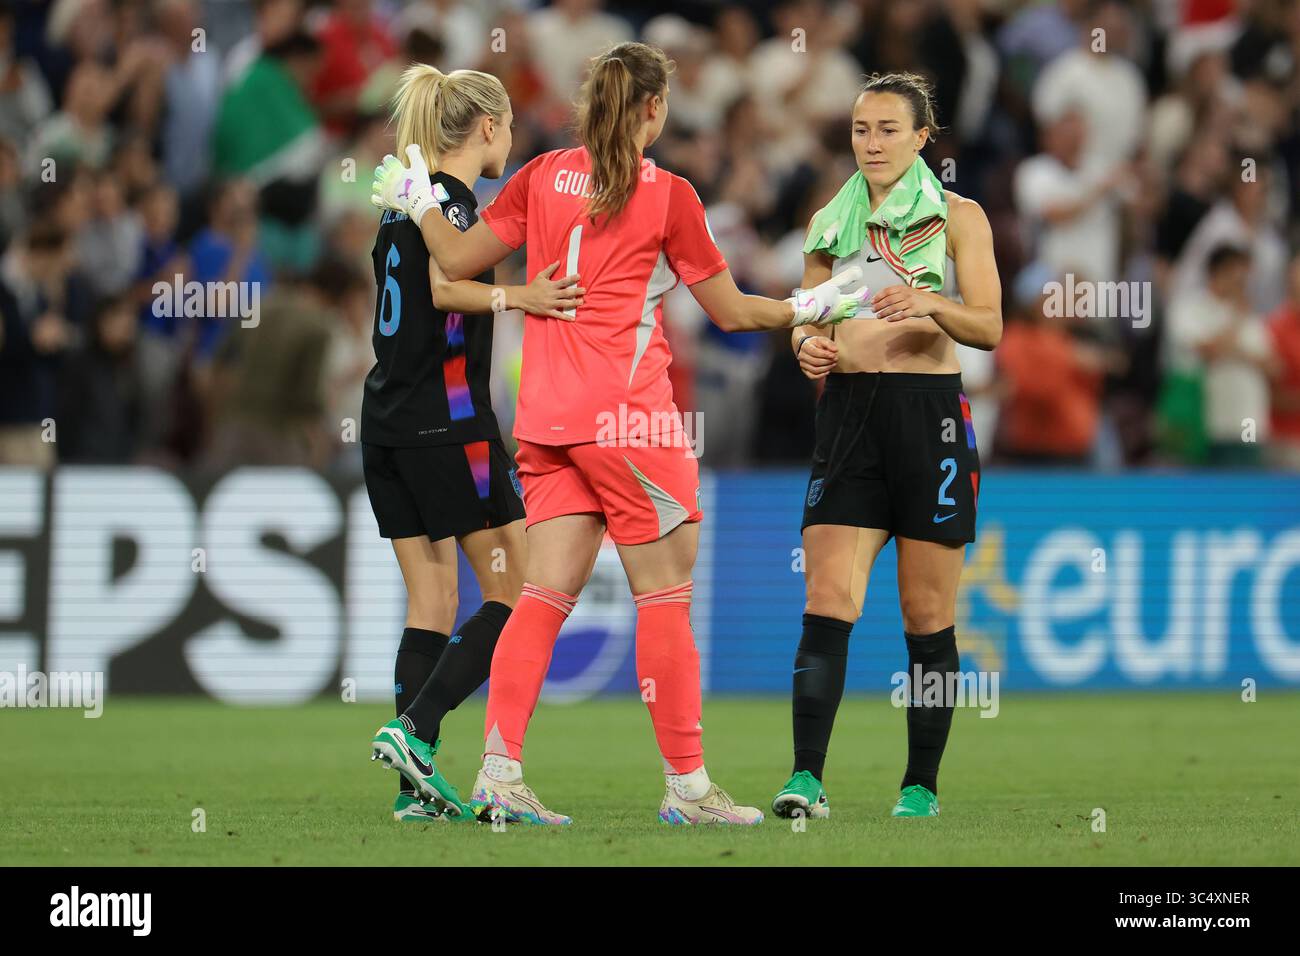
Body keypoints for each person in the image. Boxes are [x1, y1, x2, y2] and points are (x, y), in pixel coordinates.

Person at [371, 42, 867, 825]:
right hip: (630, 420)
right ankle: (689, 788)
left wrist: (419, 199)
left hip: (545, 420)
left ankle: (498, 775)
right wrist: (813, 307)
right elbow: (733, 312)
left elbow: (458, 260)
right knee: (665, 596)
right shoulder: (667, 194)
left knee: (540, 596)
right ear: (653, 109)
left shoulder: (539, 175)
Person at [773, 72, 1002, 820]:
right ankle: (806, 777)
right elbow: (806, 314)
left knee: (926, 613)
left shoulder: (959, 217)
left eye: (888, 130)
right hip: (847, 415)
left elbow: (991, 327)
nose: (871, 143)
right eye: (862, 129)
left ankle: (920, 786)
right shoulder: (830, 221)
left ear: (923, 137)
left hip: (928, 419)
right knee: (826, 598)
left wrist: (933, 300)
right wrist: (807, 342)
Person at [361, 65, 585, 822]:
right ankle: (417, 729)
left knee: (432, 598)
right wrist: (522, 295)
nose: (513, 140)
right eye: (511, 126)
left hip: (386, 422)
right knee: (518, 591)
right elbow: (446, 286)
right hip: (447, 424)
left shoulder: (400, 213)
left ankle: (411, 791)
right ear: (487, 128)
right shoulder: (451, 209)